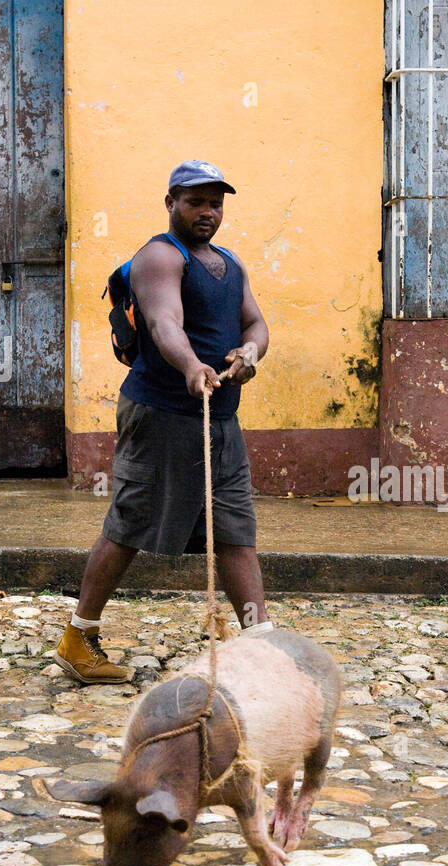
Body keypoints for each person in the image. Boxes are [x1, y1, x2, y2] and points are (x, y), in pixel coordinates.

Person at [54, 160, 271, 684]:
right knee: (131, 524)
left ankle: (263, 649)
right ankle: (78, 638)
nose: (208, 212)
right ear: (171, 202)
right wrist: (192, 366)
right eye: (196, 201)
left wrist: (248, 353)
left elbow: (256, 323)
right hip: (161, 413)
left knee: (235, 531)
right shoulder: (159, 256)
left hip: (219, 418)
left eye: (216, 202)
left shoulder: (229, 263)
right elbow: (163, 322)